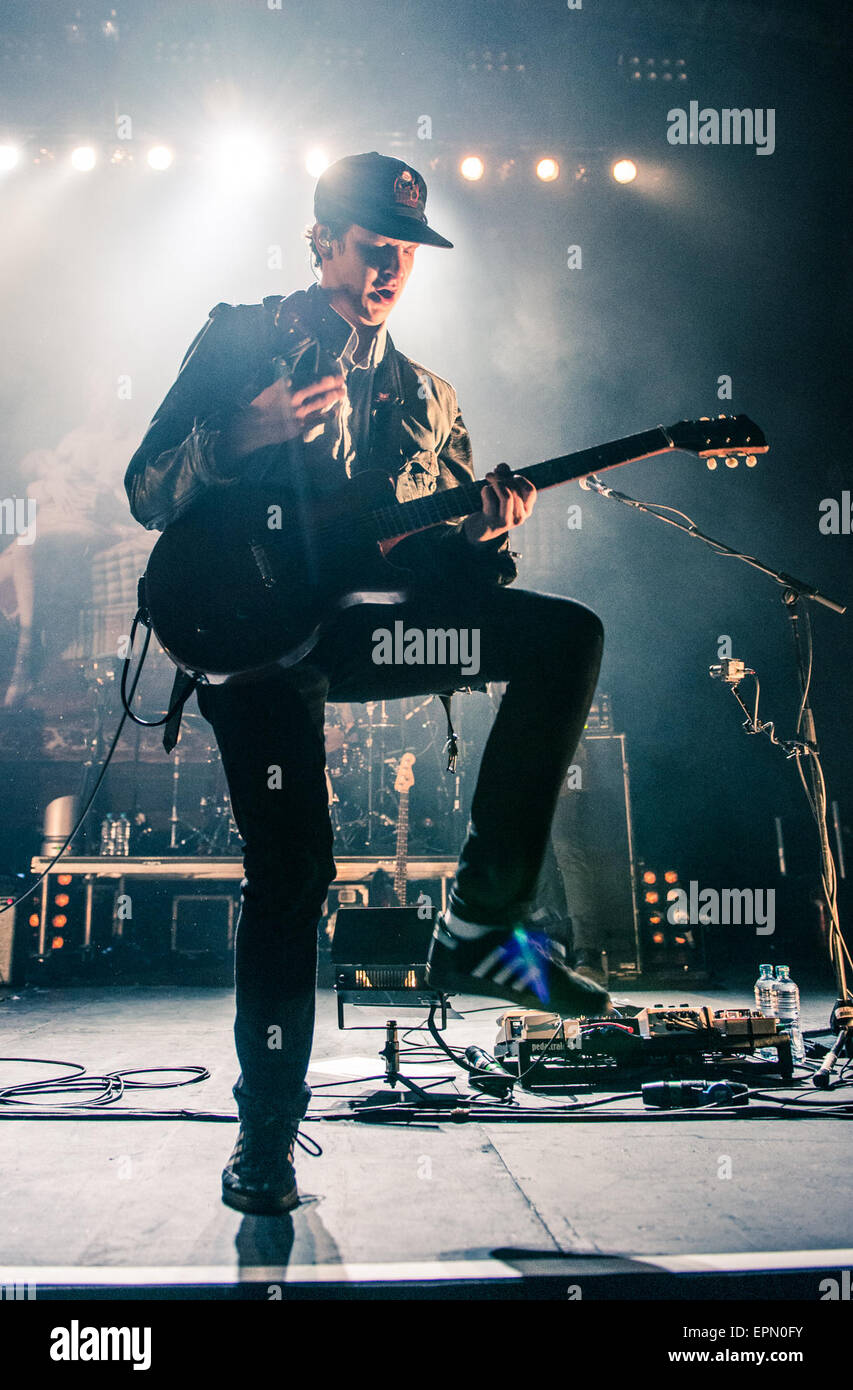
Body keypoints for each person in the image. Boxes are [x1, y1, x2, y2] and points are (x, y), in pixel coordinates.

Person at [125, 152, 609, 1215]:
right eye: (370, 243)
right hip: (248, 640)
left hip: (359, 634)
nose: (390, 263)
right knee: (294, 874)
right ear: (320, 244)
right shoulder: (242, 336)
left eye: (406, 250)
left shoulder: (427, 398)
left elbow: (430, 569)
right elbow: (145, 485)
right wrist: (240, 433)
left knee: (562, 635)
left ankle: (483, 920)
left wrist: (488, 539)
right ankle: (264, 1140)